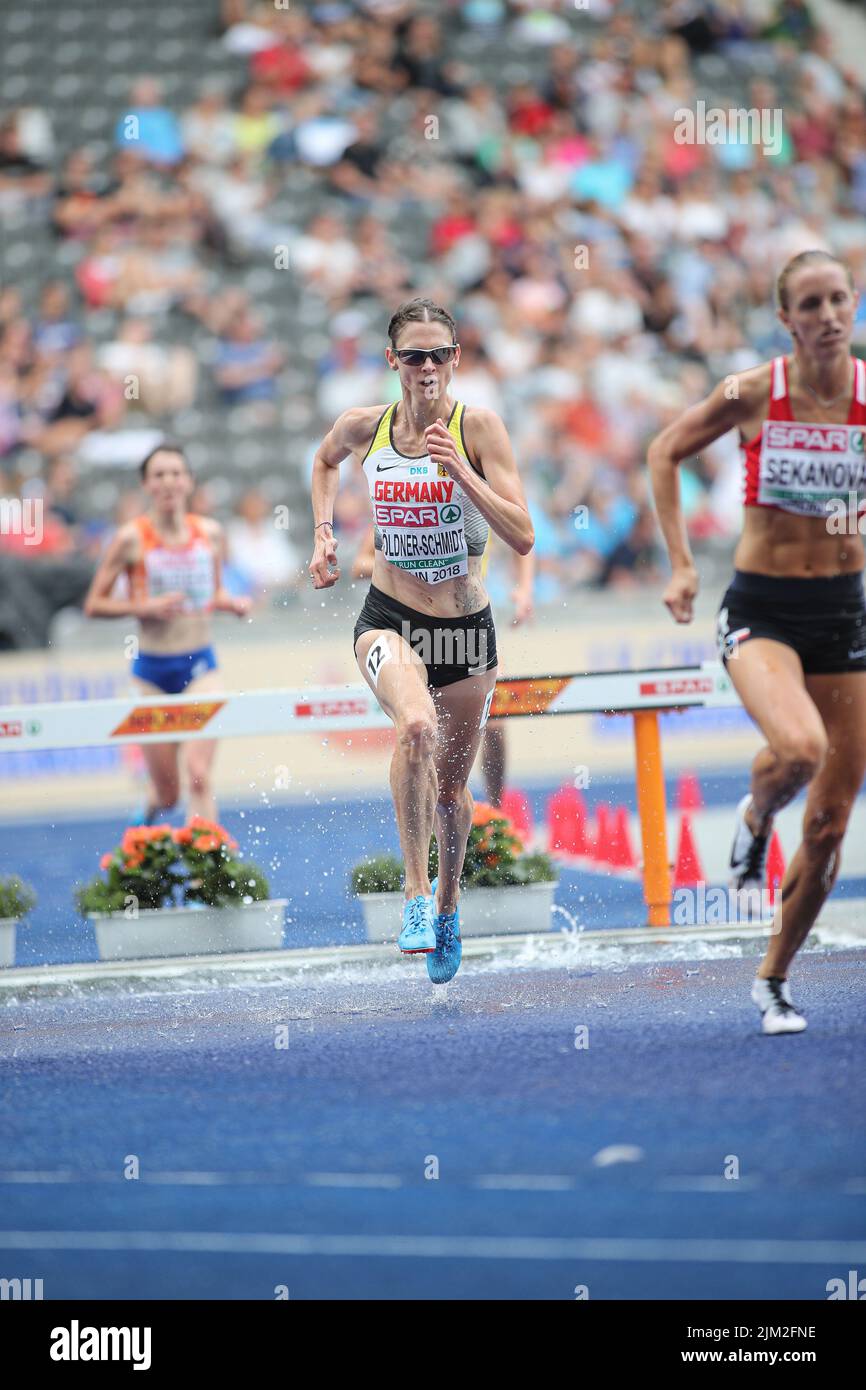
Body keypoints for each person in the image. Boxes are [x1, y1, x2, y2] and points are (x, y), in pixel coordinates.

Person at [648, 249, 866, 1035]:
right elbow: (663, 451)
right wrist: (679, 564)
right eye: (810, 305)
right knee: (800, 750)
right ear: (786, 320)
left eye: (839, 298)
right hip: (763, 611)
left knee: (832, 823)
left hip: (846, 614)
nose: (829, 316)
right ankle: (755, 815)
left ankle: (772, 979)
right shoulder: (751, 394)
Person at [310, 297, 534, 984]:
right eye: (415, 355)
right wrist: (322, 531)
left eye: (440, 354)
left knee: (450, 792)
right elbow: (324, 461)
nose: (428, 366)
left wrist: (462, 472)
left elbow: (523, 533)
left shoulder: (481, 428)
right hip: (391, 616)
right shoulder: (365, 426)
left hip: (467, 632)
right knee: (414, 729)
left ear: (457, 359)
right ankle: (413, 893)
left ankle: (447, 905)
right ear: (393, 362)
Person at [83, 442, 251, 824]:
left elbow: (213, 592)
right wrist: (142, 608)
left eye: (176, 473)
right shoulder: (130, 539)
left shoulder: (210, 533)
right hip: (152, 675)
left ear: (189, 481)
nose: (169, 482)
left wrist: (232, 603)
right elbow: (94, 604)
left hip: (200, 667)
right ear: (146, 485)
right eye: (159, 475)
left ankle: (206, 876)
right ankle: (136, 851)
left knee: (198, 776)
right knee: (167, 792)